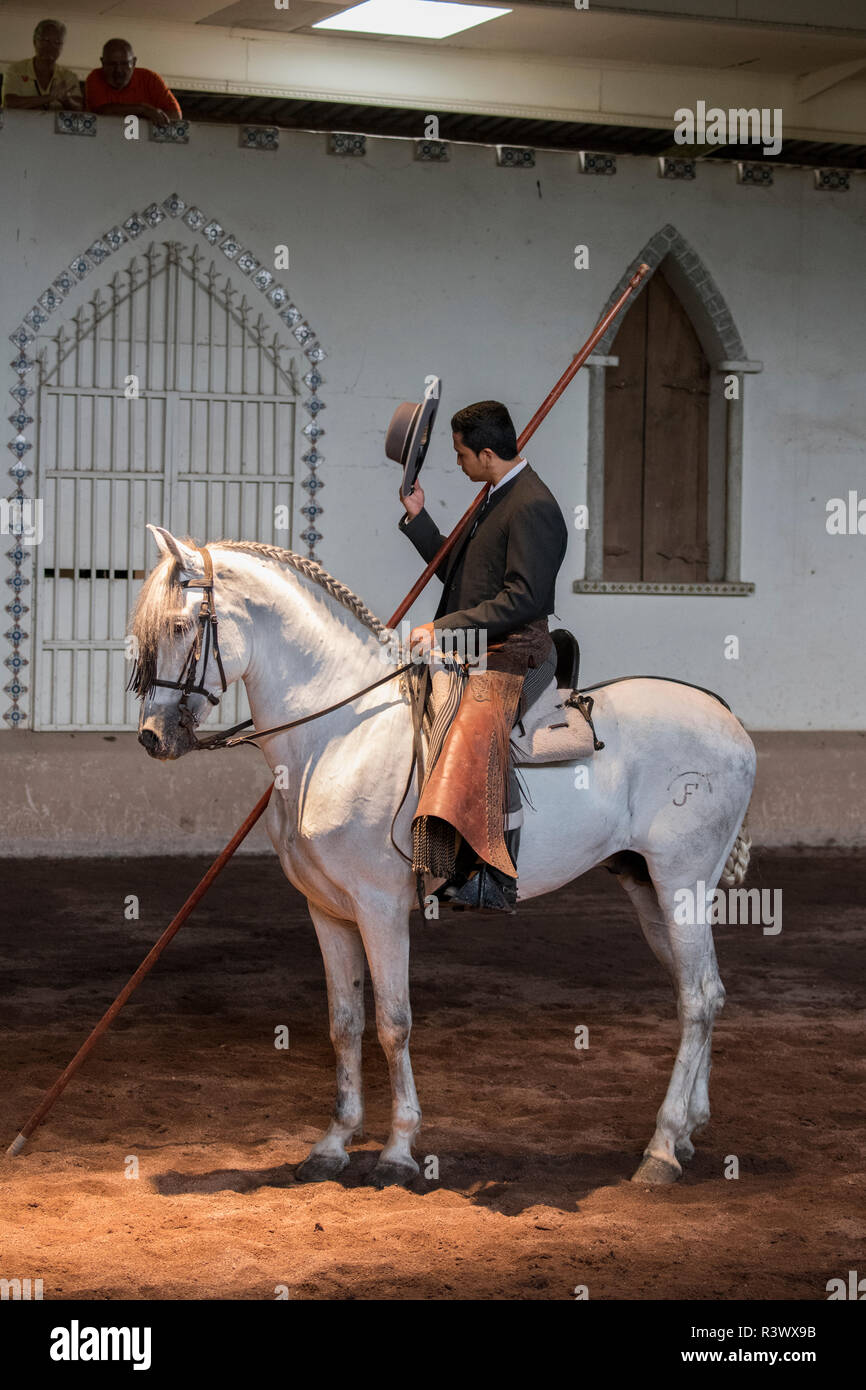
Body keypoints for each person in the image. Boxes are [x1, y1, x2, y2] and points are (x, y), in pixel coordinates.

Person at [399, 400, 569, 912]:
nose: (458, 463)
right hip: (477, 645)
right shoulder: (495, 494)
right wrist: (419, 518)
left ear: (487, 453)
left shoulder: (532, 504)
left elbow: (526, 599)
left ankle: (492, 872)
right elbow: (463, 574)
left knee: (471, 730)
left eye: (461, 454)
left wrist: (446, 627)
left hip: (517, 652)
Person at [84, 38, 181, 126]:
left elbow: (176, 116)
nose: (118, 70)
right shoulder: (95, 77)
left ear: (134, 62)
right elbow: (101, 112)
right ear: (102, 63)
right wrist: (143, 110)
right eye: (111, 64)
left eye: (124, 64)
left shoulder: (150, 79)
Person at [3, 18, 82, 111]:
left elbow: (79, 108)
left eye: (57, 43)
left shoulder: (68, 76)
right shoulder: (16, 70)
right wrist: (50, 97)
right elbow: (10, 103)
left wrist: (66, 100)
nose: (50, 47)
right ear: (34, 41)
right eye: (46, 40)